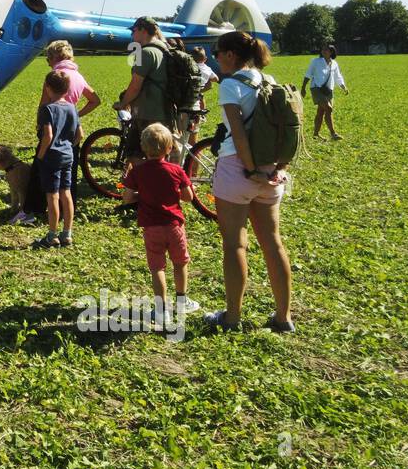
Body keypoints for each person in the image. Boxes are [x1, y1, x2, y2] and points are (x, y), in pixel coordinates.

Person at [204, 30, 294, 333]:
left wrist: (252, 168)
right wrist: (270, 169)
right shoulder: (269, 81)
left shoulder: (230, 85)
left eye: (218, 53)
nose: (215, 59)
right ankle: (283, 318)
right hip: (272, 174)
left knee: (235, 246)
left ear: (230, 55)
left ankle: (231, 317)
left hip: (237, 170)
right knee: (273, 244)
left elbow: (238, 134)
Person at [121, 122, 200, 325]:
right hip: (174, 226)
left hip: (151, 227)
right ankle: (181, 301)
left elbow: (127, 198)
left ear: (143, 148)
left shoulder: (137, 172)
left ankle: (161, 309)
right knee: (180, 262)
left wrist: (143, 195)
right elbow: (188, 197)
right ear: (169, 148)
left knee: (157, 267)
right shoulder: (176, 170)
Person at [19, 40, 101, 219]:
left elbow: (44, 103)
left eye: (48, 57)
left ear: (56, 57)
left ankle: (32, 210)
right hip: (71, 130)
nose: (48, 61)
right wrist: (75, 115)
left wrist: (39, 124)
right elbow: (95, 100)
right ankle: (66, 213)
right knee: (68, 173)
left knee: (40, 170)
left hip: (52, 127)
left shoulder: (55, 75)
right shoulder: (78, 76)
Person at [115, 17, 178, 169]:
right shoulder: (164, 49)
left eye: (134, 31)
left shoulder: (145, 53)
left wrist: (123, 103)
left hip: (147, 113)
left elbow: (135, 86)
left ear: (143, 30)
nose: (132, 35)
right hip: (164, 111)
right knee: (160, 153)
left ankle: (147, 184)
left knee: (135, 153)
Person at [32, 70, 81, 249]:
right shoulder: (72, 108)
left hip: (51, 156)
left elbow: (48, 135)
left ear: (47, 87)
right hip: (68, 155)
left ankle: (52, 234)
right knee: (66, 192)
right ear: (67, 89)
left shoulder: (47, 109)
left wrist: (41, 155)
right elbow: (79, 134)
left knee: (52, 195)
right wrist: (68, 146)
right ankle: (67, 233)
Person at [301, 43, 349, 140]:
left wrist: (343, 87)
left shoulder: (334, 63)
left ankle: (315, 134)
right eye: (322, 50)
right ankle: (333, 133)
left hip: (328, 90)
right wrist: (303, 88)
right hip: (316, 88)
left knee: (321, 112)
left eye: (326, 50)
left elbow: (338, 77)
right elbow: (308, 74)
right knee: (329, 109)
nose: (323, 51)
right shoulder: (315, 61)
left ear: (331, 52)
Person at [186, 45, 220, 146]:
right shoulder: (207, 68)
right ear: (205, 59)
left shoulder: (188, 67)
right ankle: (203, 116)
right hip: (199, 93)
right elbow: (216, 79)